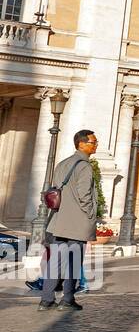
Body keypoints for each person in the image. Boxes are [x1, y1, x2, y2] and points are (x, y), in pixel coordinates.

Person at [38, 129, 98, 312]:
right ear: (81, 144)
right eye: (93, 142)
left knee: (55, 262)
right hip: (77, 223)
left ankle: (46, 300)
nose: (96, 145)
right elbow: (84, 195)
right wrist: (90, 214)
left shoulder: (62, 164)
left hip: (59, 222)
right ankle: (68, 299)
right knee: (73, 262)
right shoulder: (84, 166)